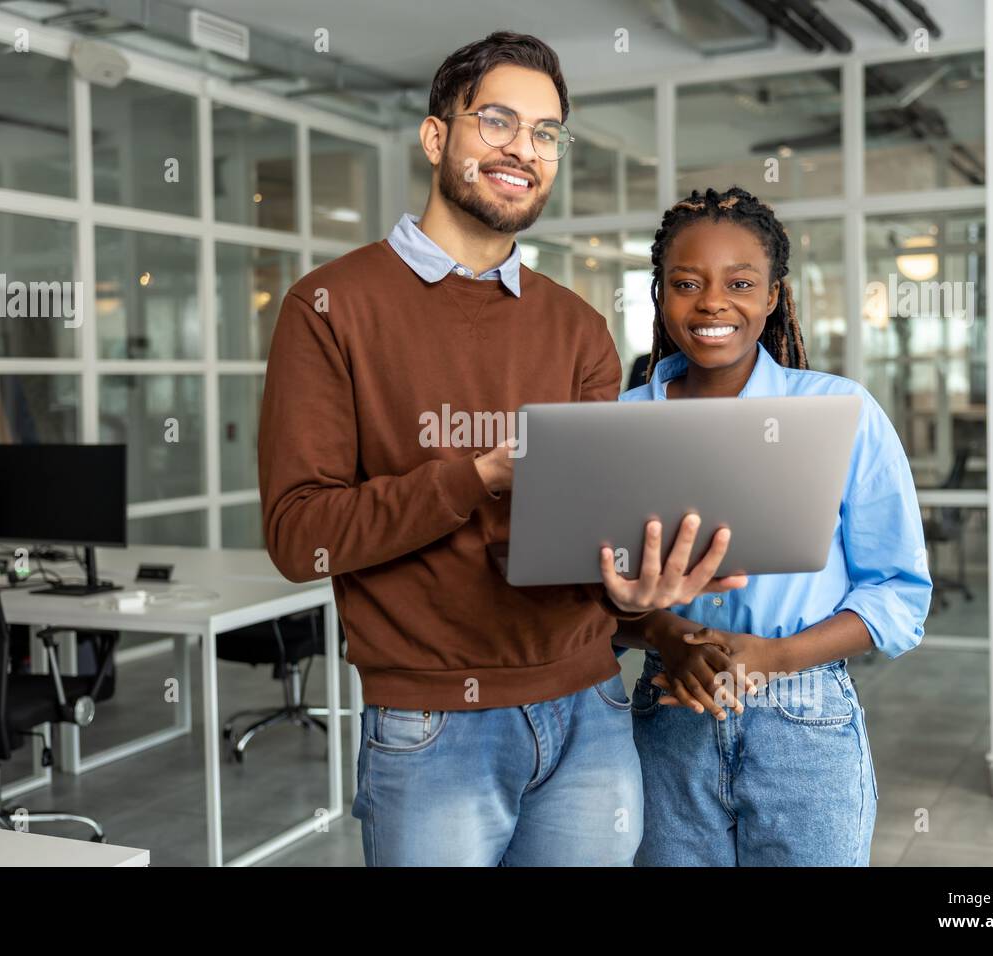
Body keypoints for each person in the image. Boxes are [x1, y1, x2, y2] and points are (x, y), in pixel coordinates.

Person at [258, 33, 743, 866]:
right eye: (498, 121)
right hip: (433, 722)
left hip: (591, 710)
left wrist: (640, 591)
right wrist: (477, 475)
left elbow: (592, 539)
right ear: (437, 137)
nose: (525, 148)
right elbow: (302, 536)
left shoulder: (576, 325)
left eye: (547, 132)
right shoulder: (329, 306)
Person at [616, 186, 932, 866]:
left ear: (772, 297)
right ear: (659, 294)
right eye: (686, 282)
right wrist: (665, 635)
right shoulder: (621, 421)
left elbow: (897, 596)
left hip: (804, 718)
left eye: (740, 283)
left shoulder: (842, 412)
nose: (711, 303)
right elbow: (594, 596)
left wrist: (771, 657)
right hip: (667, 716)